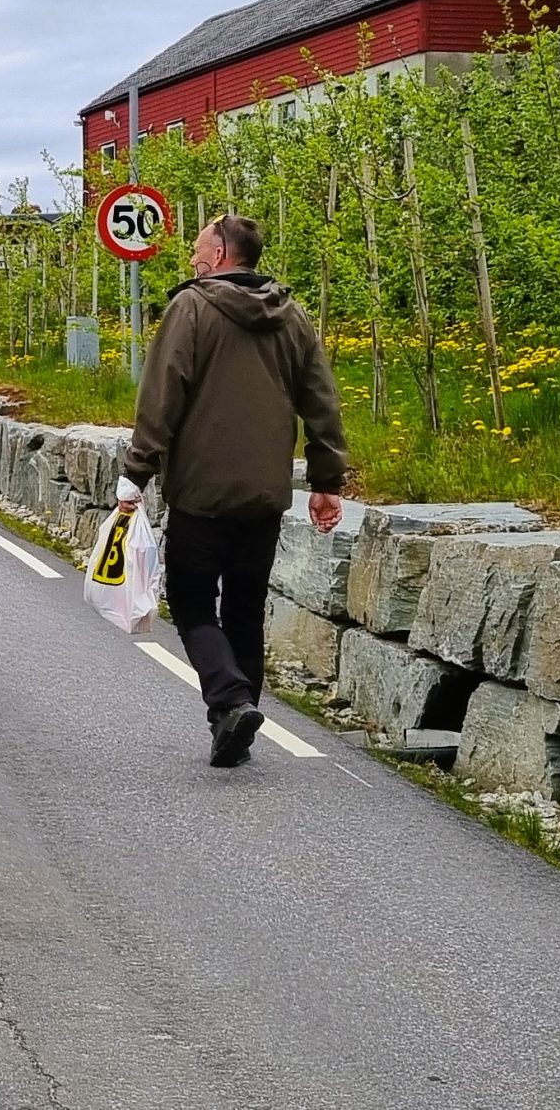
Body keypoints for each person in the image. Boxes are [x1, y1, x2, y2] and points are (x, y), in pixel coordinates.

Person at [116, 214, 347, 768]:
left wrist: (136, 472)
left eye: (198, 248)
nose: (193, 258)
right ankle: (234, 729)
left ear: (220, 254)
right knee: (245, 609)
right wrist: (326, 481)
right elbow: (321, 400)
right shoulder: (291, 315)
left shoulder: (190, 308)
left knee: (191, 600)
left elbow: (162, 396)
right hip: (265, 494)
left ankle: (229, 698)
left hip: (201, 492)